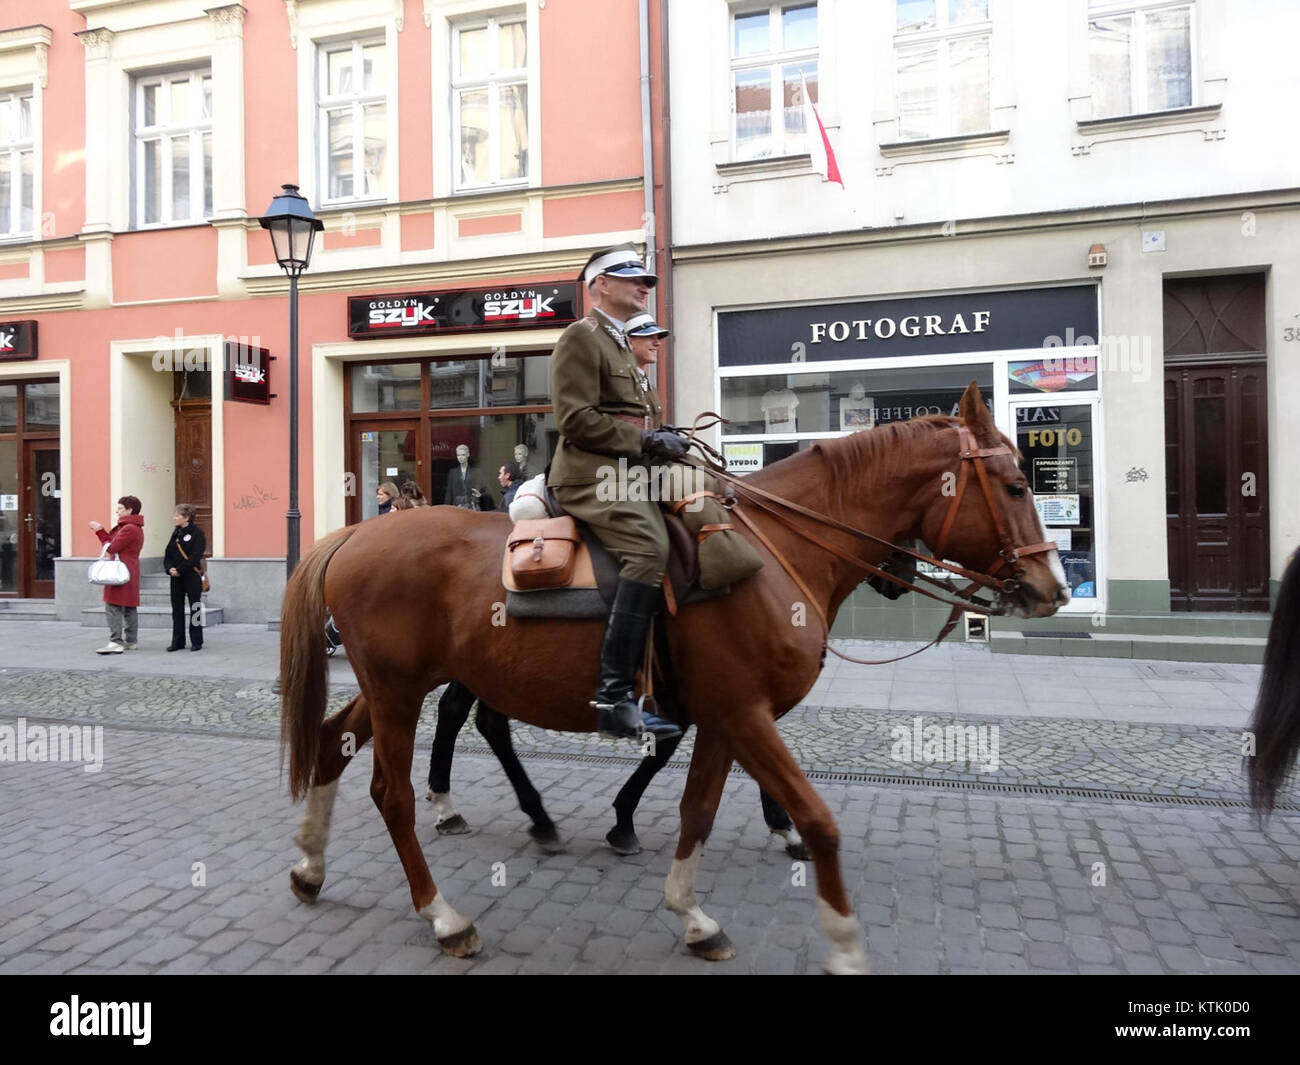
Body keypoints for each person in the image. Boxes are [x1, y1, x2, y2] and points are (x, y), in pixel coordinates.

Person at [547, 244, 687, 741]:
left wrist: (670, 440)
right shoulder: (580, 337)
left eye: (647, 279)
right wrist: (646, 439)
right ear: (601, 285)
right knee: (650, 548)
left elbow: (637, 418)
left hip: (629, 470)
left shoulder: (623, 346)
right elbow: (576, 419)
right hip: (589, 477)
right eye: (632, 277)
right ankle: (611, 696)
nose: (645, 285)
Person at [89, 496, 144, 654]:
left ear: (129, 510)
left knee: (112, 605)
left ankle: (116, 641)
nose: (117, 511)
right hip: (129, 568)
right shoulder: (135, 527)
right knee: (129, 606)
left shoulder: (128, 528)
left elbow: (111, 547)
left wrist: (99, 530)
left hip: (119, 570)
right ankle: (131, 640)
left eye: (120, 508)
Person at [164, 503, 206, 652]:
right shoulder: (175, 533)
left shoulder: (197, 533)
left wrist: (180, 569)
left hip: (191, 575)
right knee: (177, 609)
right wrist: (169, 569)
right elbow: (168, 553)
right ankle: (178, 641)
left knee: (195, 607)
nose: (174, 518)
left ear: (186, 517)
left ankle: (196, 640)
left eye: (177, 515)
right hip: (175, 577)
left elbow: (196, 556)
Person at [444, 445, 494, 510]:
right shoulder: (453, 473)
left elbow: (486, 490)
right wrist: (446, 509)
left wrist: (480, 495)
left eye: (463, 455)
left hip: (472, 507)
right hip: (456, 507)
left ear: (468, 455)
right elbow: (449, 493)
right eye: (458, 455)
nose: (460, 457)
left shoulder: (476, 472)